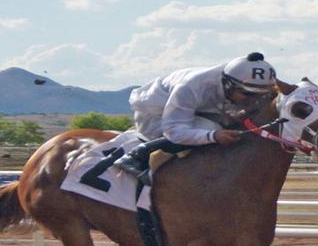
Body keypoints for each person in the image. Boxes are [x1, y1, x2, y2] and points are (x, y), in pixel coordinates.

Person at [112, 52, 279, 185]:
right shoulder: (192, 86)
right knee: (213, 129)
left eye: (261, 94)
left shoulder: (235, 81)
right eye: (248, 94)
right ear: (229, 85)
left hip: (196, 111)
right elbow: (174, 131)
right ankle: (137, 155)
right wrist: (213, 136)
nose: (254, 100)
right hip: (154, 116)